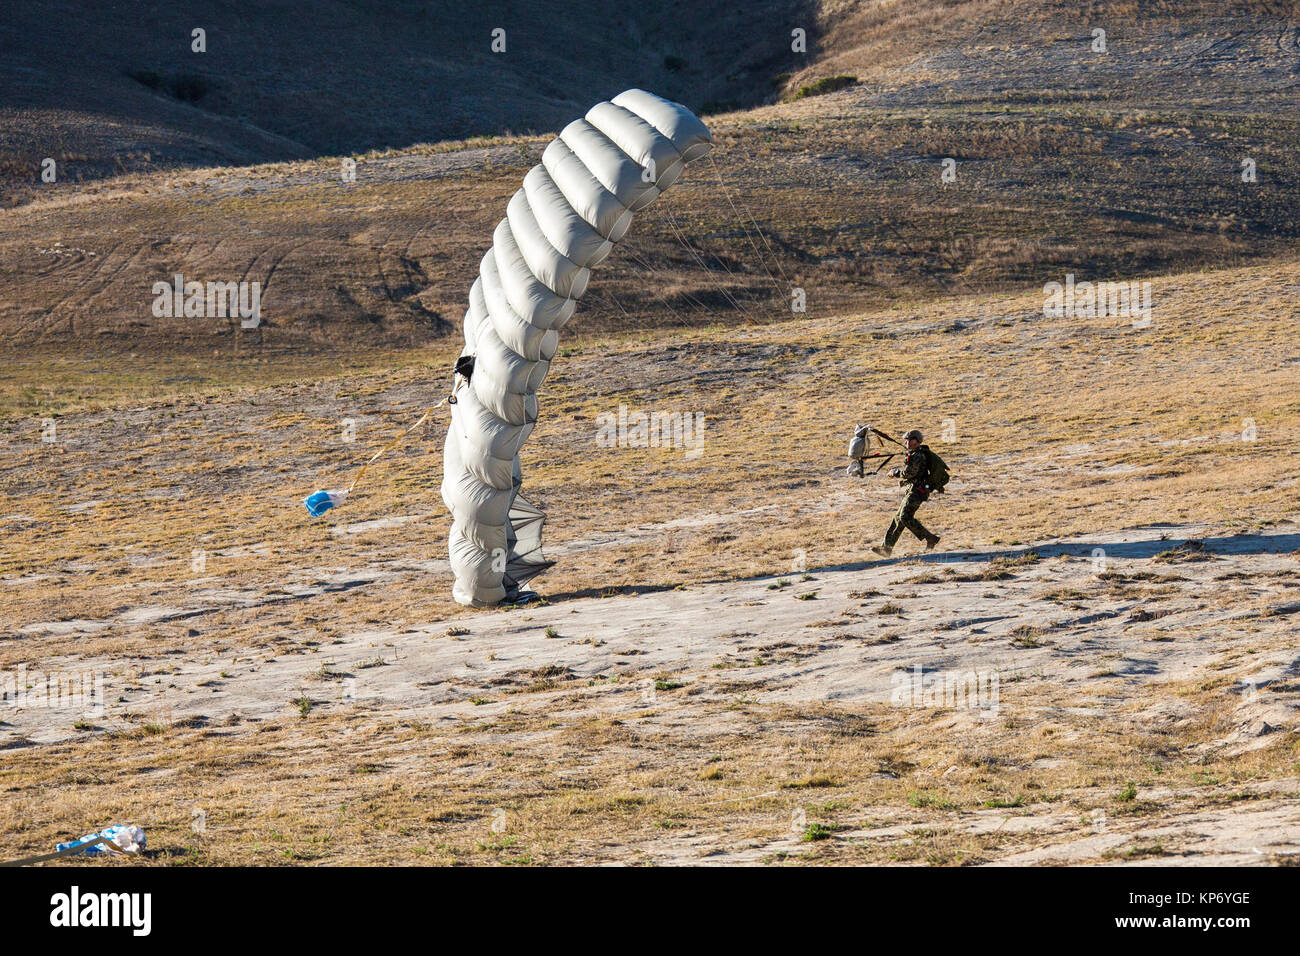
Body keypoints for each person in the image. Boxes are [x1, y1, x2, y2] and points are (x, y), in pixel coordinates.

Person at [871, 429, 940, 556]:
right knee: (898, 518)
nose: (906, 442)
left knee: (904, 517)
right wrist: (905, 482)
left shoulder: (917, 455)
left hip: (917, 492)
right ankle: (886, 548)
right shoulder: (914, 454)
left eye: (909, 439)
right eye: (906, 440)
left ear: (917, 441)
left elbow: (909, 473)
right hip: (914, 489)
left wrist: (895, 473)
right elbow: (916, 475)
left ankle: (930, 538)